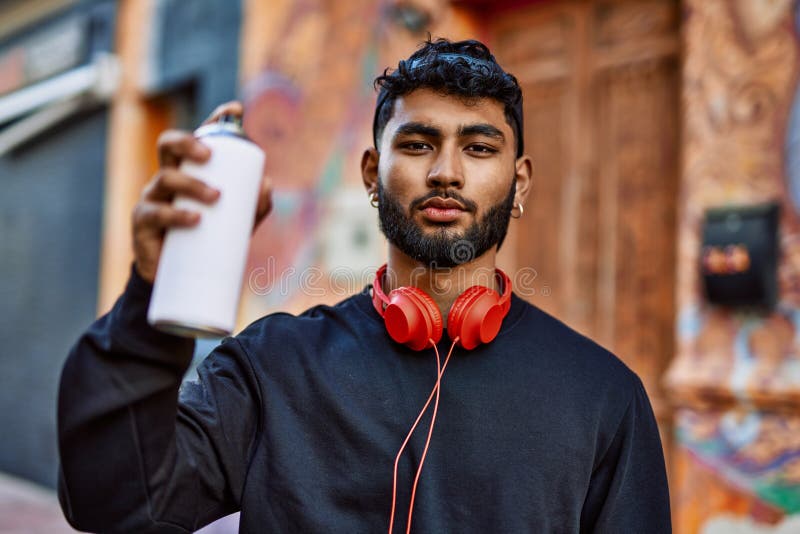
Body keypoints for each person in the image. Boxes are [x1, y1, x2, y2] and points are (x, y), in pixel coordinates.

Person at [58, 38, 671, 533]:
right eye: (418, 143)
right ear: (373, 174)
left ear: (521, 183)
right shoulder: (272, 366)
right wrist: (151, 297)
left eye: (479, 148)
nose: (446, 172)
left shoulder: (603, 398)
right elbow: (115, 502)